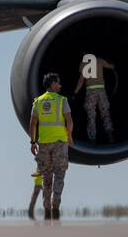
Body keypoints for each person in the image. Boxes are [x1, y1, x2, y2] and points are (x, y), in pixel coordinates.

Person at [28, 72, 74, 220]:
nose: (60, 85)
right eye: (58, 82)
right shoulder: (62, 100)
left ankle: (47, 209)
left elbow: (32, 124)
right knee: (59, 174)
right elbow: (69, 121)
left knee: (46, 178)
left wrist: (33, 142)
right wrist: (70, 136)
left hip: (43, 144)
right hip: (60, 142)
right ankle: (55, 206)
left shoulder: (38, 101)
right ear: (52, 84)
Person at [73, 53, 115, 143]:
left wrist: (75, 92)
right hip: (101, 90)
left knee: (91, 116)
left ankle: (92, 139)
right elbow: (111, 67)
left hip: (90, 91)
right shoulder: (99, 60)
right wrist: (112, 63)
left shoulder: (83, 63)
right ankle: (110, 136)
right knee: (105, 114)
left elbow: (81, 80)